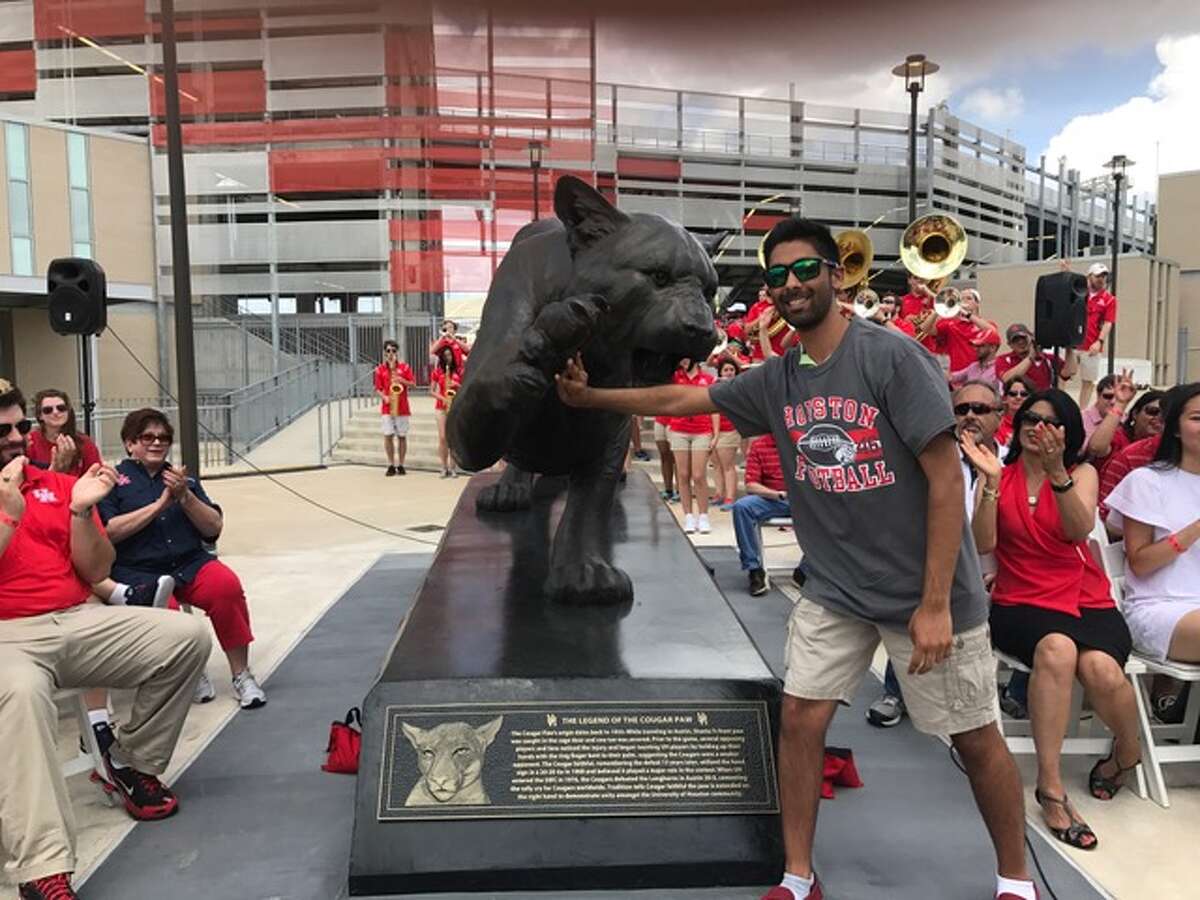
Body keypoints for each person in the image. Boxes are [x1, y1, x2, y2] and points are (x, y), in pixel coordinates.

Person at [557, 215, 1036, 900]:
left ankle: (1016, 882)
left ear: (836, 275)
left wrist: (934, 603)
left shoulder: (893, 358)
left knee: (973, 737)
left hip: (924, 594)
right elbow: (682, 395)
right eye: (777, 276)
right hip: (838, 590)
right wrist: (591, 397)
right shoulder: (777, 379)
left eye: (804, 270)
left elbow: (941, 478)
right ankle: (797, 875)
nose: (791, 285)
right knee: (800, 719)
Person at [0, 380, 211, 900]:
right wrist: (8, 510)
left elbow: (94, 567)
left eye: (19, 426)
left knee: (185, 635)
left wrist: (78, 511)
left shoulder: (54, 484)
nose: (14, 437)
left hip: (74, 618)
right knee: (23, 697)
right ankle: (42, 866)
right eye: (2, 429)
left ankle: (129, 763)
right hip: (8, 637)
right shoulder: (13, 494)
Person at [964, 388, 1143, 851]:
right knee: (1058, 649)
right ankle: (1051, 787)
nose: (1035, 426)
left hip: (1084, 597)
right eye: (1028, 417)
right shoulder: (997, 475)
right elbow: (984, 543)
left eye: (1048, 420)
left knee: (1101, 670)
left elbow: (1077, 530)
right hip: (1022, 599)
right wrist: (986, 485)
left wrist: (1057, 471)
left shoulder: (1081, 473)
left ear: (1066, 431)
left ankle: (1128, 752)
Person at [98, 408, 266, 710]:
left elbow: (213, 527)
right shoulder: (113, 481)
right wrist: (160, 505)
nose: (156, 443)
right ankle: (188, 673)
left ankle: (241, 675)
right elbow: (109, 532)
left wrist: (185, 497)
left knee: (226, 586)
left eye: (163, 437)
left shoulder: (182, 480)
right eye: (147, 437)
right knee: (168, 611)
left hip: (189, 563)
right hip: (139, 571)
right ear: (129, 443)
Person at [868, 379, 1009, 728]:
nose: (971, 416)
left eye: (981, 409)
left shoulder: (1014, 462)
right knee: (922, 588)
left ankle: (1013, 694)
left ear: (1000, 415)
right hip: (950, 564)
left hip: (1005, 570)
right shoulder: (934, 462)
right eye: (962, 410)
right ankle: (895, 692)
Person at [1106, 383, 1200, 664]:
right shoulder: (1147, 481)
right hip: (1159, 607)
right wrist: (1195, 529)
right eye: (1197, 418)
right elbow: (1141, 562)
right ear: (1174, 428)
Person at [731, 434, 789, 596]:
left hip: (802, 499)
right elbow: (751, 485)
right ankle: (754, 569)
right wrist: (777, 494)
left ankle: (806, 569)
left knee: (830, 509)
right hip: (773, 498)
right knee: (742, 507)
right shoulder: (759, 445)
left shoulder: (802, 443)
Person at [667, 358, 717, 534]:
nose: (683, 361)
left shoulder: (708, 379)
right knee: (682, 474)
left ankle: (703, 516)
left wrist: (716, 433)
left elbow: (714, 406)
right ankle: (688, 516)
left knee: (698, 475)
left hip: (702, 430)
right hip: (678, 429)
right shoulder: (675, 377)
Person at [27, 389, 103, 477]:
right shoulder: (31, 441)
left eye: (61, 408)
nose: (55, 412)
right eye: (48, 410)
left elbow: (96, 473)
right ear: (40, 416)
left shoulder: (84, 442)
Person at [1074, 262, 1118, 409]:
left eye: (1104, 276)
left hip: (1091, 346)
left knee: (1087, 381)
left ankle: (1082, 411)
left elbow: (1108, 323)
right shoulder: (1078, 293)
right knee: (1063, 375)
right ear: (1089, 276)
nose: (1101, 279)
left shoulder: (1109, 299)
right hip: (1072, 343)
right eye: (1098, 276)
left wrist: (1099, 341)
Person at [374, 340, 417, 476]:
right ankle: (391, 464)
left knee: (402, 437)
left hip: (402, 407)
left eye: (393, 351)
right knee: (388, 436)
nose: (391, 353)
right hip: (388, 407)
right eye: (388, 351)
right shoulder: (380, 369)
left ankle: (401, 464)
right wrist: (384, 397)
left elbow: (413, 384)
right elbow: (378, 388)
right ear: (384, 353)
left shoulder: (404, 367)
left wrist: (401, 380)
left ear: (397, 352)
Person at [995, 323, 1076, 392]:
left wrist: (1069, 348)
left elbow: (1069, 372)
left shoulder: (1047, 358)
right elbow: (1007, 379)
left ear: (1030, 337)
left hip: (1043, 403)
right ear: (1010, 345)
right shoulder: (1003, 359)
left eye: (1023, 338)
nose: (1020, 342)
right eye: (1015, 340)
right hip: (1018, 401)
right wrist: (1031, 357)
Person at [712, 357, 743, 508]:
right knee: (716, 465)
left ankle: (730, 497)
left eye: (731, 370)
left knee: (728, 465)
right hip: (713, 429)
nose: (729, 372)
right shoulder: (715, 385)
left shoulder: (740, 386)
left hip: (730, 429)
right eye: (726, 370)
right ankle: (719, 493)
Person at [1081, 371, 1135, 456]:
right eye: (1108, 396)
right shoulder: (1081, 419)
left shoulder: (1129, 421)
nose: (1113, 402)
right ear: (1098, 395)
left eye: (1118, 398)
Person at [431, 345, 462, 478]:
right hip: (441, 407)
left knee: (453, 439)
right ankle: (444, 467)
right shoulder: (437, 371)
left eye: (449, 355)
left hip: (454, 407)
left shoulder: (460, 371)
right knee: (443, 438)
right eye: (445, 356)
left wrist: (457, 386)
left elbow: (466, 388)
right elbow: (431, 391)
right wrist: (442, 397)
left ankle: (453, 467)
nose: (447, 357)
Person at [952, 327, 1003, 393]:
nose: (975, 349)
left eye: (981, 346)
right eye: (975, 346)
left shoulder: (1000, 368)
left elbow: (1002, 395)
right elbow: (952, 378)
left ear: (993, 348)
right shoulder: (973, 366)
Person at [996, 376, 1035, 447]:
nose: (1018, 397)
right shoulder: (996, 424)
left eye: (1024, 394)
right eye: (1013, 394)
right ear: (1005, 398)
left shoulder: (1037, 425)